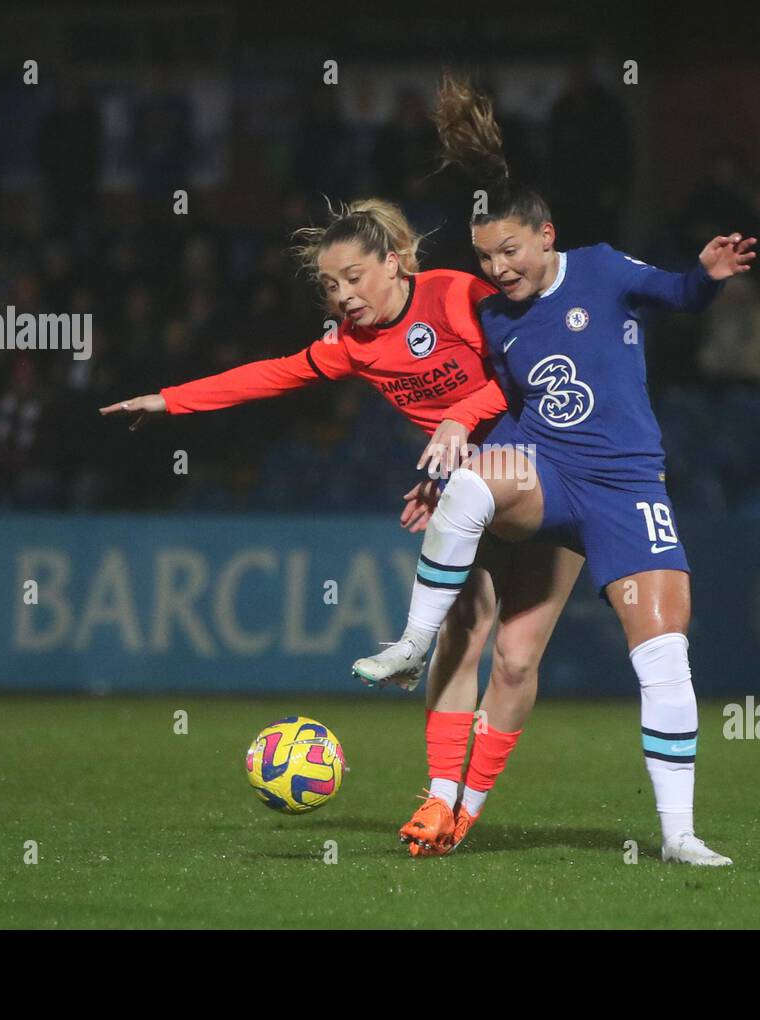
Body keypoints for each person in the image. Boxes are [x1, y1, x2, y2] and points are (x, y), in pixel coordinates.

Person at [98, 197, 587, 857]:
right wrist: (171, 400)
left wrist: (457, 425)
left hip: (548, 467)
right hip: (475, 483)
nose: (344, 295)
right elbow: (272, 375)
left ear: (394, 263)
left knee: (517, 659)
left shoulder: (453, 296)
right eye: (330, 285)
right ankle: (442, 801)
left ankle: (469, 800)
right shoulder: (353, 346)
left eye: (355, 277)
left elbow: (524, 376)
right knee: (462, 635)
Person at [354, 74, 756, 866]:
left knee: (663, 654)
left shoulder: (603, 269)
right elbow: (487, 397)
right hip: (546, 469)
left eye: (510, 251)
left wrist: (704, 279)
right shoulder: (496, 318)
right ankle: (412, 642)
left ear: (546, 236)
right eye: (484, 257)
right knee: (473, 484)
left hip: (627, 486)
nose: (498, 269)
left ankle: (678, 835)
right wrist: (443, 463)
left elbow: (673, 292)